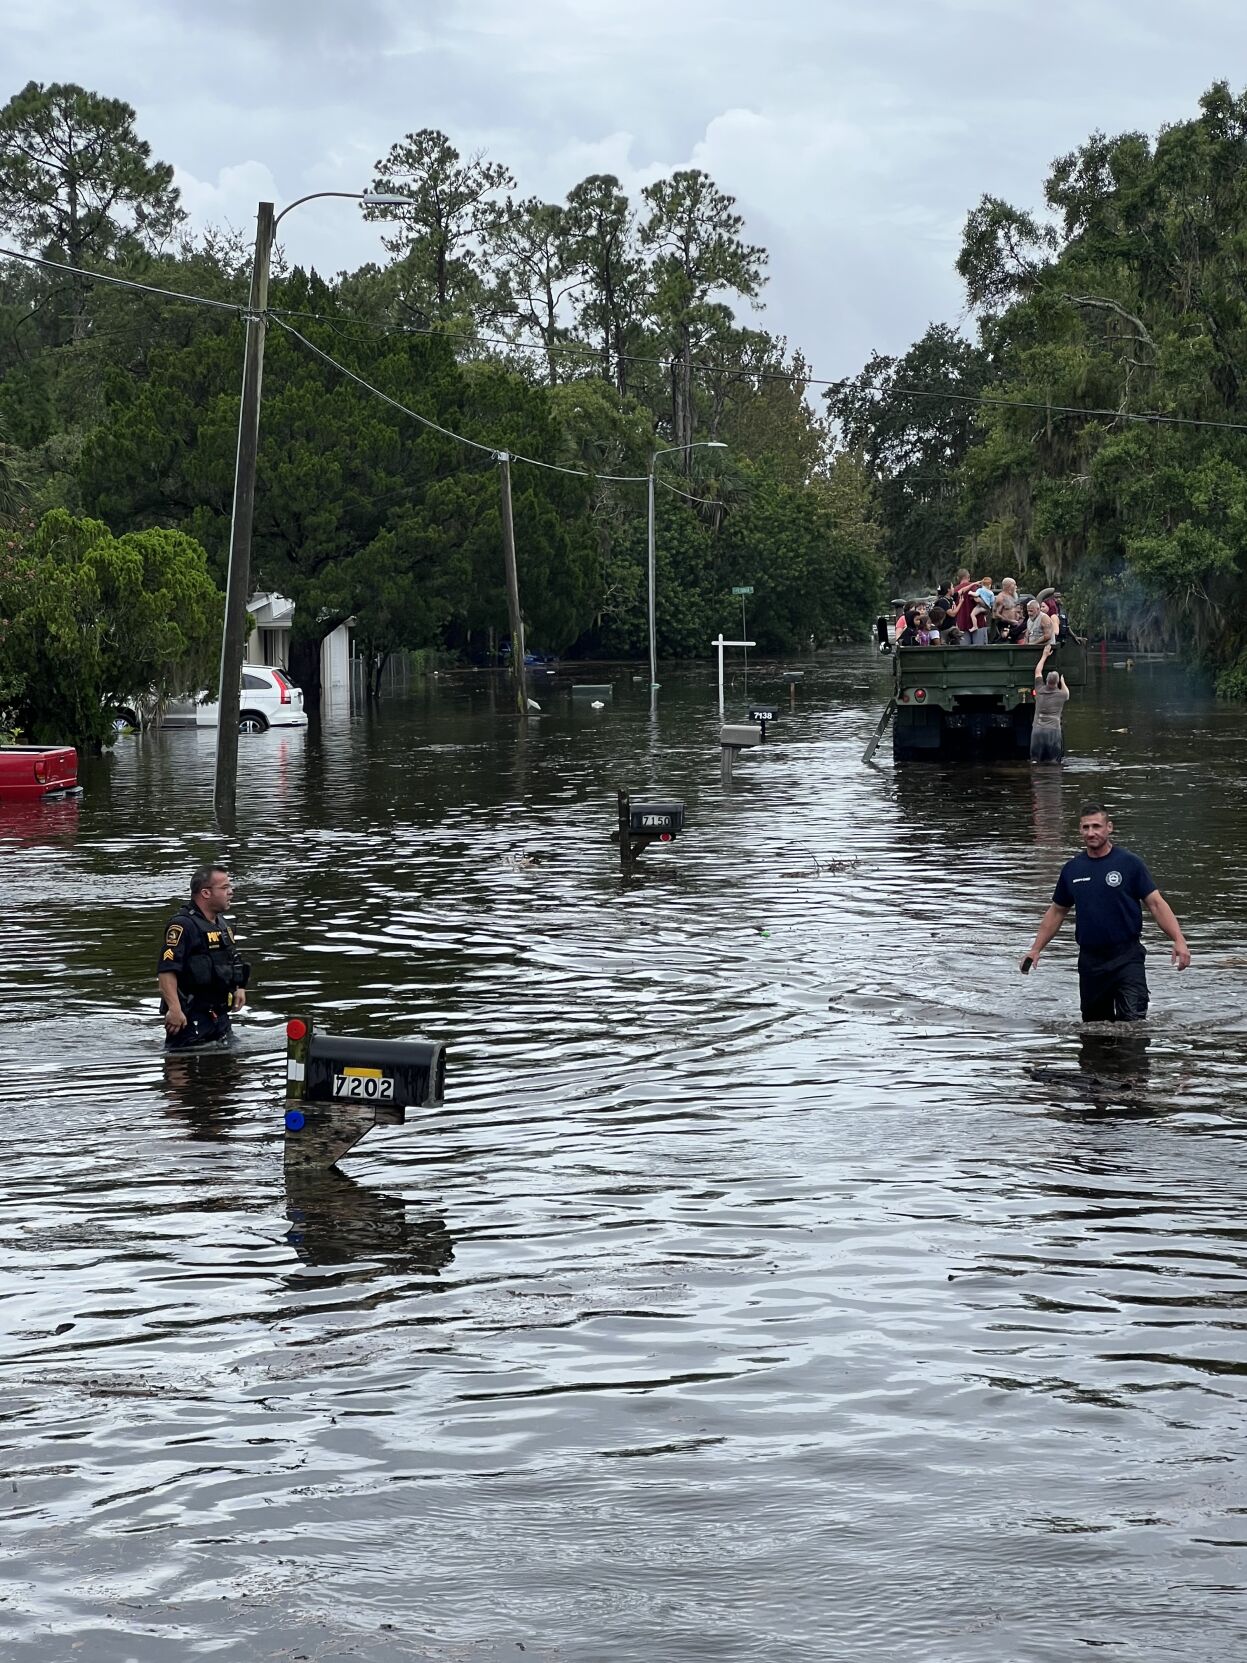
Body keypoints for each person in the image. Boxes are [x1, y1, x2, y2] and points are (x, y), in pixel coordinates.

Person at [1020, 802, 1190, 1022]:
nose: (1091, 833)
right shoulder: (1073, 869)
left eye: (1096, 826)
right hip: (1091, 961)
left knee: (1133, 1025)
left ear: (1109, 827)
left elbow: (1156, 904)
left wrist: (1179, 939)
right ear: (1080, 830)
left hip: (1127, 957)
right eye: (1086, 828)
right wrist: (1035, 949)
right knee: (1094, 1030)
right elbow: (1057, 912)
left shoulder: (1130, 864)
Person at [158, 864, 250, 1049]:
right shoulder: (183, 925)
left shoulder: (222, 924)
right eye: (224, 888)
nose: (231, 892)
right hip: (190, 1016)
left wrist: (239, 987)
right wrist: (175, 1009)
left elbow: (232, 958)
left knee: (231, 1071)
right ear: (206, 893)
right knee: (180, 1067)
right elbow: (166, 971)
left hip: (219, 1015)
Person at [1030, 642, 1068, 762]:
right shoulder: (1062, 694)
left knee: (1035, 761)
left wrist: (1044, 655)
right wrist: (1062, 681)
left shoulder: (1040, 689)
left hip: (1037, 731)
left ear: (1046, 681)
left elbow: (1037, 671)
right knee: (1054, 763)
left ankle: (1036, 780)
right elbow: (1066, 691)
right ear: (1057, 683)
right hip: (1053, 732)